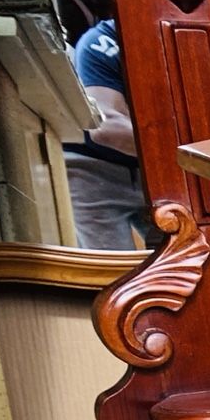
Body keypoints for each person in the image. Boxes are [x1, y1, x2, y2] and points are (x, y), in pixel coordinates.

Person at [64, 18, 153, 250]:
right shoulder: (100, 43)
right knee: (114, 271)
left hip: (152, 171)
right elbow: (105, 128)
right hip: (91, 170)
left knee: (187, 263)